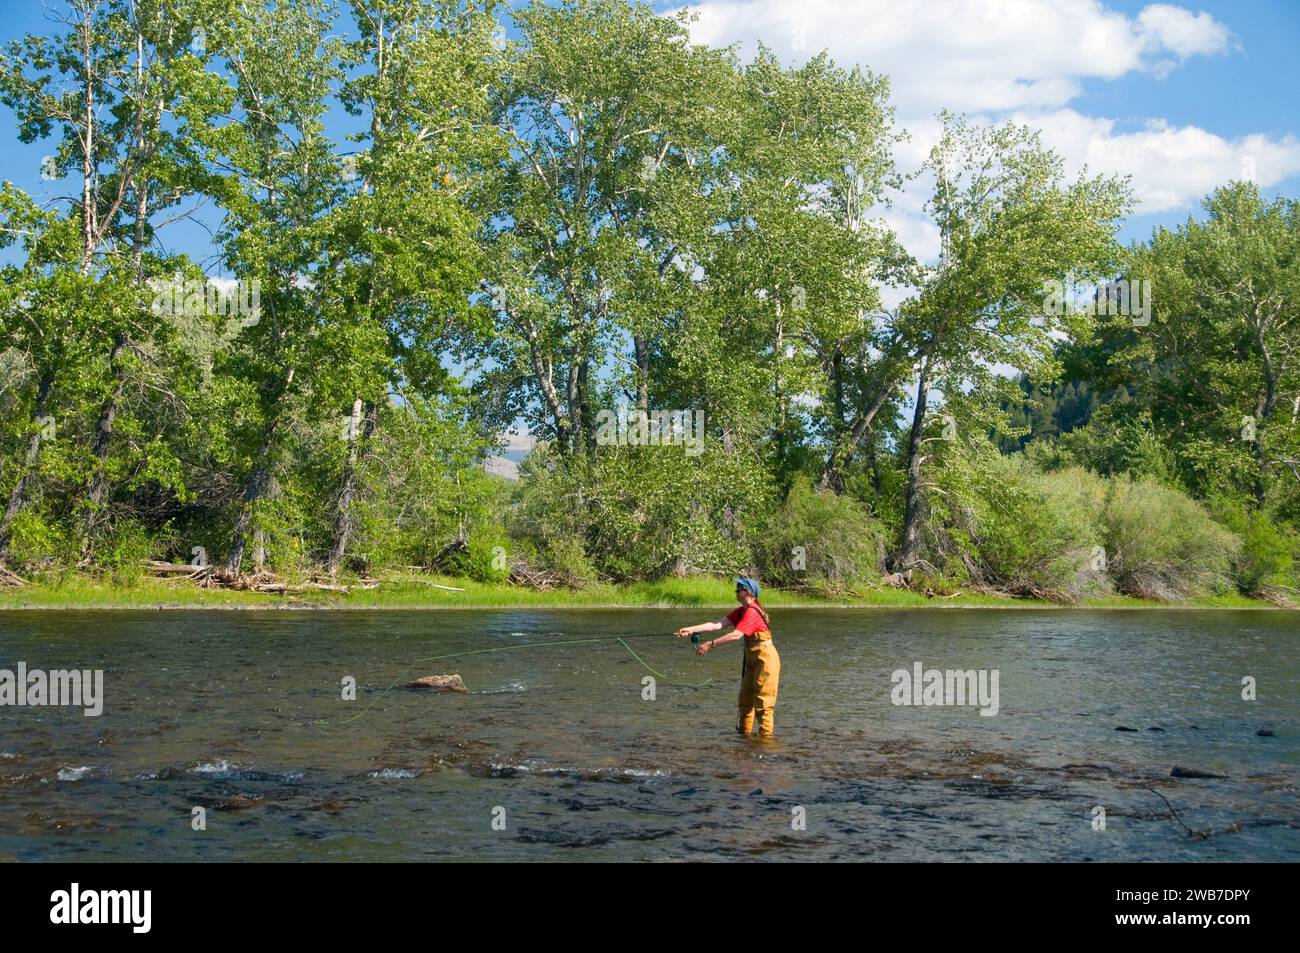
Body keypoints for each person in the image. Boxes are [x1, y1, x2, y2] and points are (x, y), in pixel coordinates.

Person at [675, 577, 781, 738]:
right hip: (752, 659)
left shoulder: (752, 611)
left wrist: (711, 644)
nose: (736, 590)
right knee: (745, 702)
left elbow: (735, 635)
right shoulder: (741, 611)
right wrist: (690, 629)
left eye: (739, 588)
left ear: (749, 592)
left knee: (763, 704)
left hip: (765, 659)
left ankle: (766, 744)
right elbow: (716, 625)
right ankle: (744, 739)